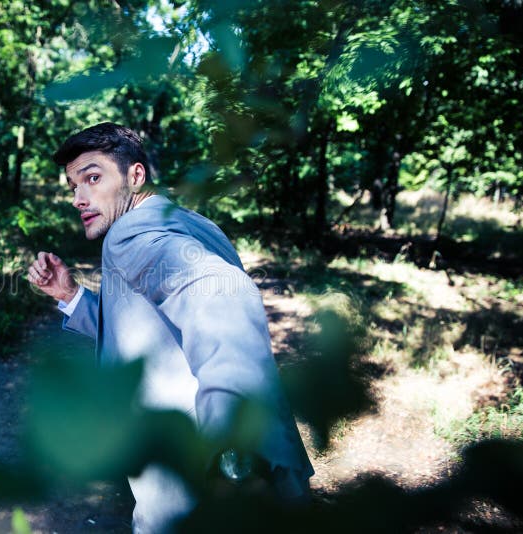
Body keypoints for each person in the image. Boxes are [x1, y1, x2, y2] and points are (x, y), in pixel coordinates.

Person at [27, 123, 313, 533]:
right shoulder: (190, 222)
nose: (79, 198)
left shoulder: (129, 233)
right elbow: (140, 331)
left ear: (135, 175)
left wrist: (231, 454)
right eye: (74, 185)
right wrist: (69, 294)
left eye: (93, 178)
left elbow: (227, 295)